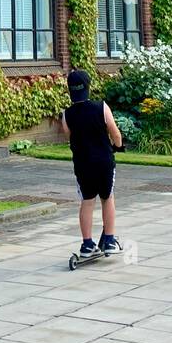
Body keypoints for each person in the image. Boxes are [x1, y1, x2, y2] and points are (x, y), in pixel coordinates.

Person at [57, 69, 124, 256]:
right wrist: (118, 146)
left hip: (83, 163)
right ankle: (109, 239)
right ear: (88, 86)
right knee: (107, 198)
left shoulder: (67, 114)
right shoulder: (101, 107)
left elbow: (70, 138)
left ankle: (87, 243)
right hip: (104, 162)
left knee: (87, 201)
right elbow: (115, 133)